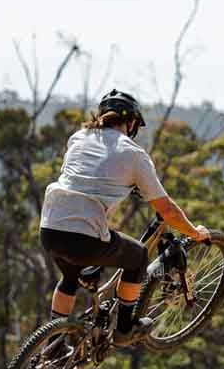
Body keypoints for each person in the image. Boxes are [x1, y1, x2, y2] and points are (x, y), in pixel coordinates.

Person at [37, 89, 211, 345]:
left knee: (70, 276)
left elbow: (86, 177)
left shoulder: (78, 137)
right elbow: (168, 211)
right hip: (84, 237)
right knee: (139, 256)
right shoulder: (134, 154)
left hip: (50, 229)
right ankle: (124, 330)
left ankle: (52, 348)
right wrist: (195, 233)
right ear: (131, 123)